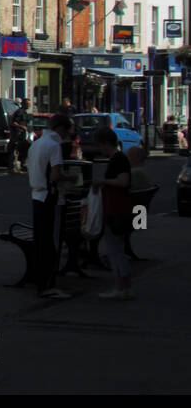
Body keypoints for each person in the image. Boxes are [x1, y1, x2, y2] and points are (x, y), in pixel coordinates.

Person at [26, 113, 73, 299]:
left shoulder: (37, 143)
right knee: (51, 241)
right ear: (60, 128)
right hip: (49, 197)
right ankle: (48, 284)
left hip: (36, 195)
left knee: (40, 240)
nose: (67, 134)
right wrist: (70, 177)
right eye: (67, 130)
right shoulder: (54, 146)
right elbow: (55, 175)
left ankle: (41, 281)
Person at [92, 127, 134, 300]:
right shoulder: (119, 158)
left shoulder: (118, 159)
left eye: (100, 146)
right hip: (120, 208)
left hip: (116, 209)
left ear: (105, 143)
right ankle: (125, 287)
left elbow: (123, 182)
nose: (100, 150)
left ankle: (119, 287)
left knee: (114, 250)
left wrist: (102, 181)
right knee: (118, 249)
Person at [9, 98, 32, 173]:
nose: (29, 105)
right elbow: (13, 123)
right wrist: (22, 127)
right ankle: (12, 168)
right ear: (23, 104)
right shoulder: (19, 112)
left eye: (29, 104)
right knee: (15, 151)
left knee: (25, 149)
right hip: (17, 135)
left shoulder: (24, 112)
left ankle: (23, 165)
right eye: (27, 104)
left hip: (22, 135)